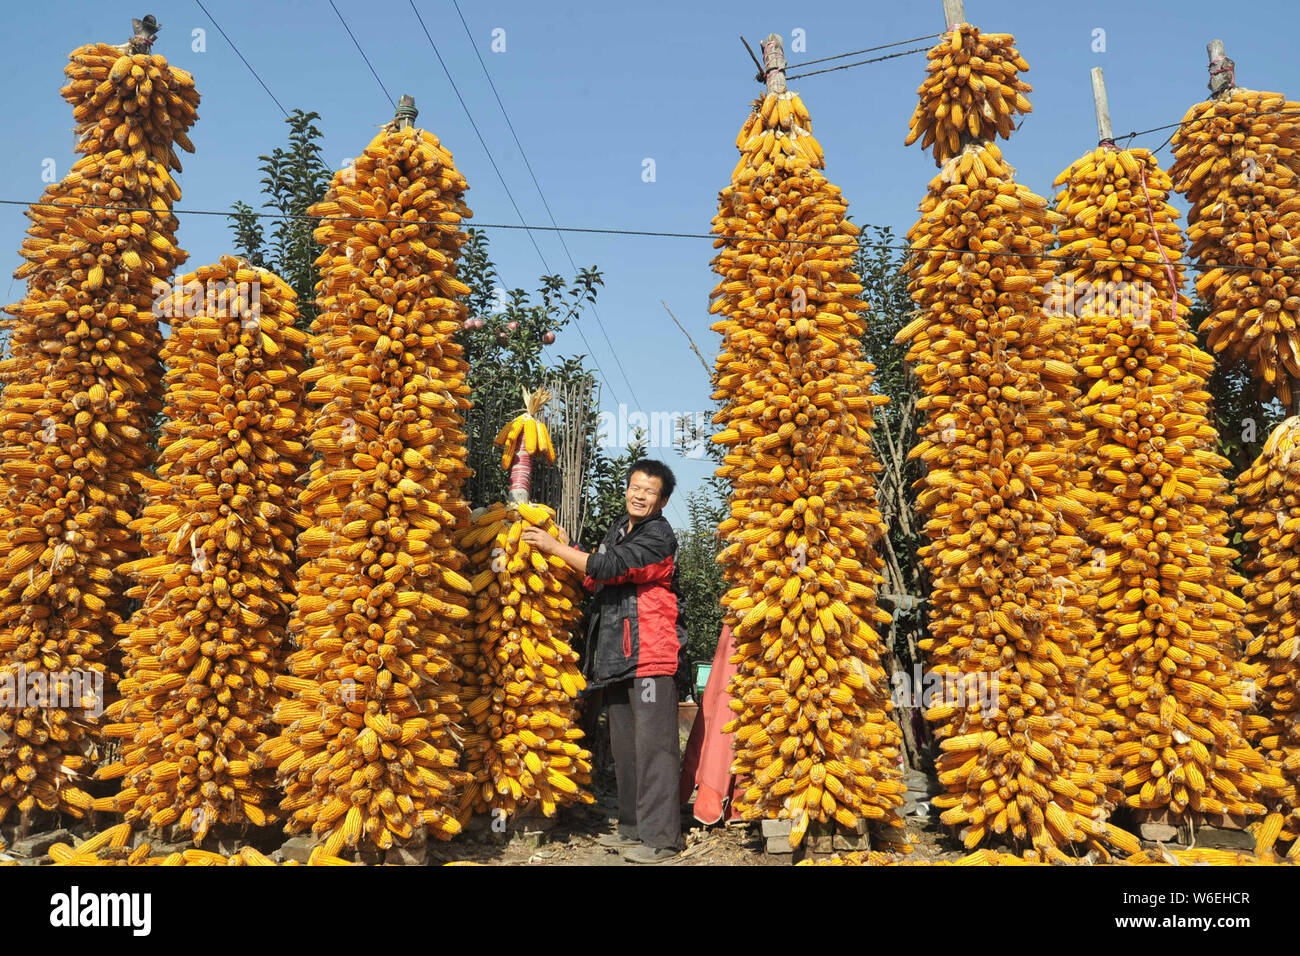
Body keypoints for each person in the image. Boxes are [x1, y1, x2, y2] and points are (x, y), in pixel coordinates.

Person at [522, 459, 687, 864]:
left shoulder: (658, 537)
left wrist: (556, 549)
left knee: (655, 749)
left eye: (648, 491)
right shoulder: (621, 528)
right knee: (627, 748)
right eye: (634, 486)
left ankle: (663, 840)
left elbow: (612, 567)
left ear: (662, 500)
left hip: (650, 653)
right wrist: (569, 548)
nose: (638, 494)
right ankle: (634, 830)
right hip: (617, 654)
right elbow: (595, 575)